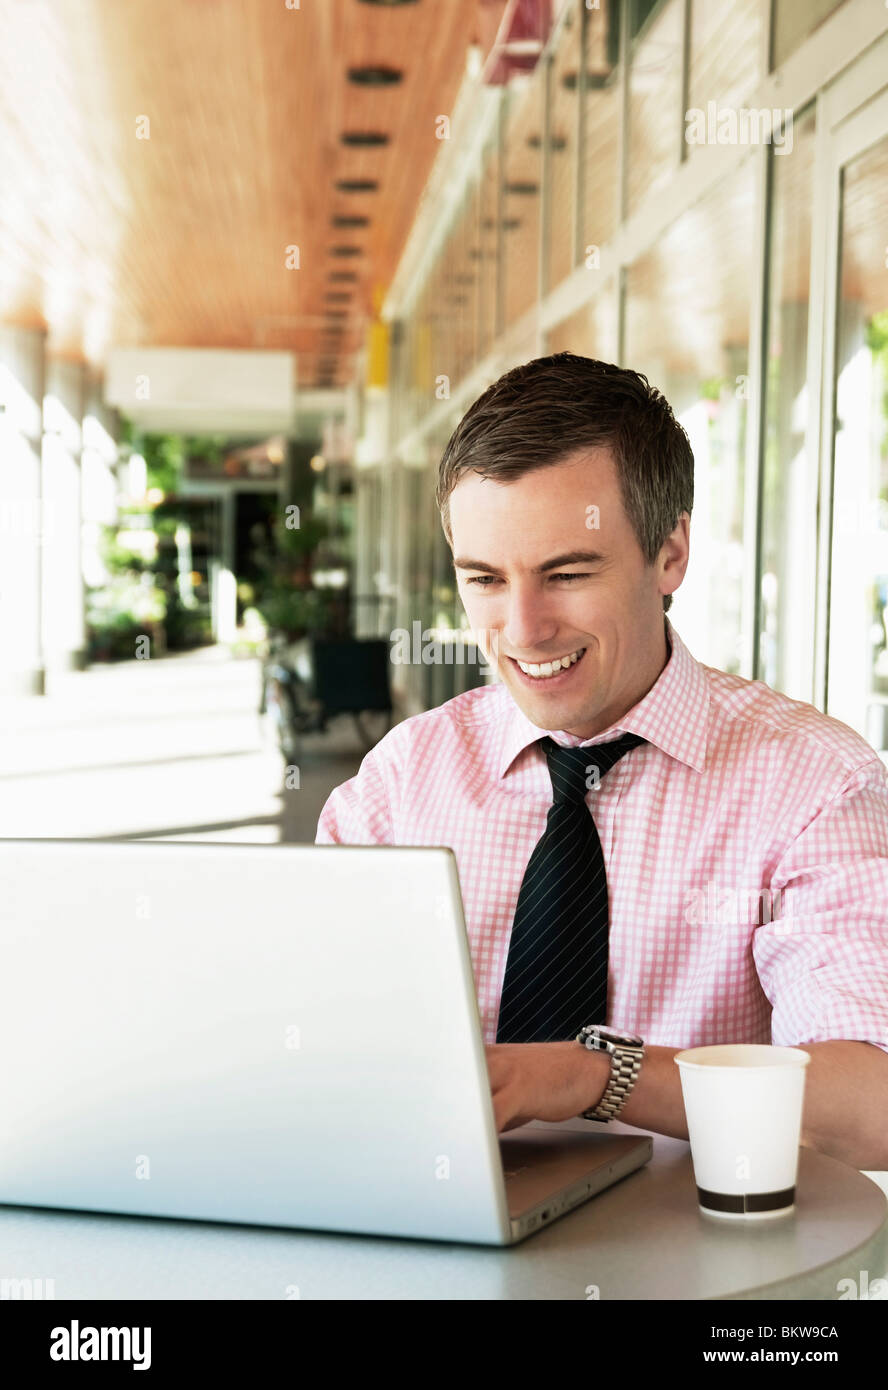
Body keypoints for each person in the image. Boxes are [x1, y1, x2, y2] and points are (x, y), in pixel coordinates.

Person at [316, 352, 888, 1172]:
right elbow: (304, 1031)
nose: (523, 628)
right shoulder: (406, 778)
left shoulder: (816, 785)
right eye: (484, 579)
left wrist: (594, 1076)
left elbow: (873, 1106)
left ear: (670, 555)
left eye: (568, 573)